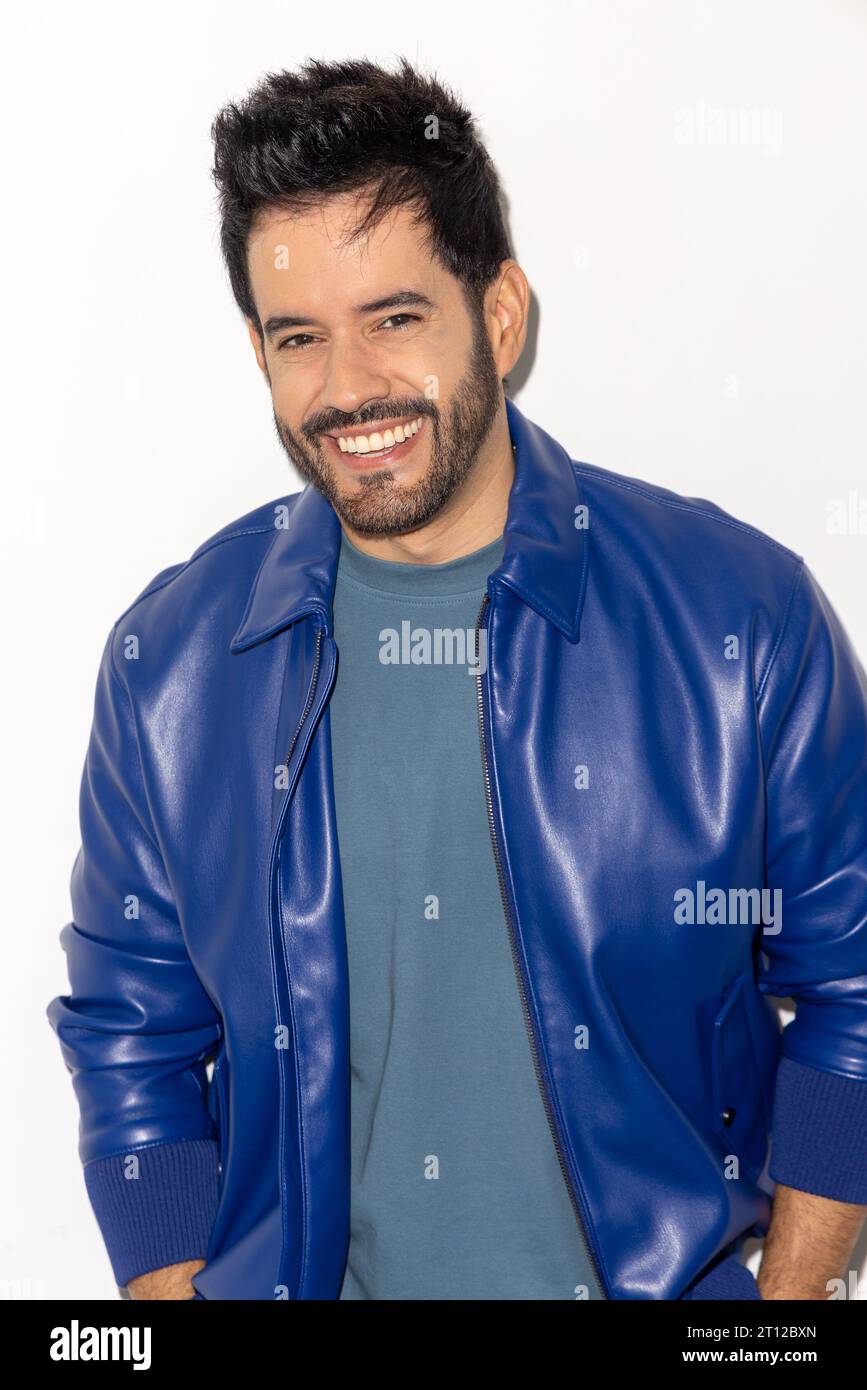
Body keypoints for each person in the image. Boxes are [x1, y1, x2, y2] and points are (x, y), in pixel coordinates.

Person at [47, 56, 867, 1301]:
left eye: (395, 317)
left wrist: (783, 1313)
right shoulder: (172, 671)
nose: (348, 388)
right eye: (300, 338)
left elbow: (853, 995)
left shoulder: (737, 619)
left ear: (499, 314)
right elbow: (131, 1042)